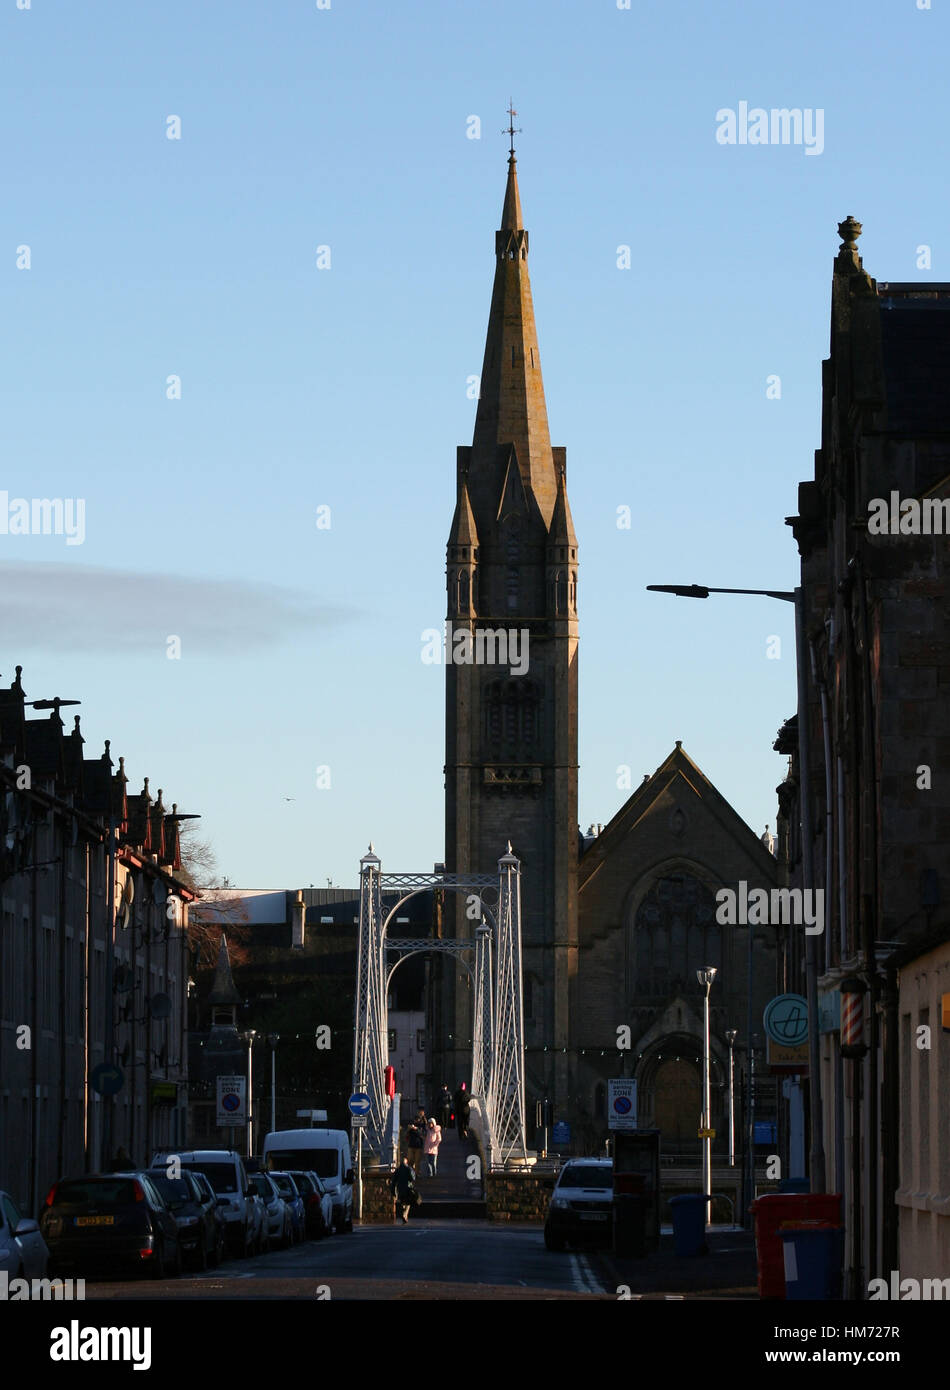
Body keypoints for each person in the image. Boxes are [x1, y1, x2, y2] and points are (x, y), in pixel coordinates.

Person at [390, 1156, 417, 1223]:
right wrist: (412, 1170)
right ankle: (404, 1214)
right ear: (406, 1162)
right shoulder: (408, 1168)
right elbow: (412, 1178)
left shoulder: (398, 1170)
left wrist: (393, 1191)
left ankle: (403, 1213)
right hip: (408, 1188)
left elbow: (394, 1181)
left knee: (402, 1202)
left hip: (400, 1189)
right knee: (408, 1203)